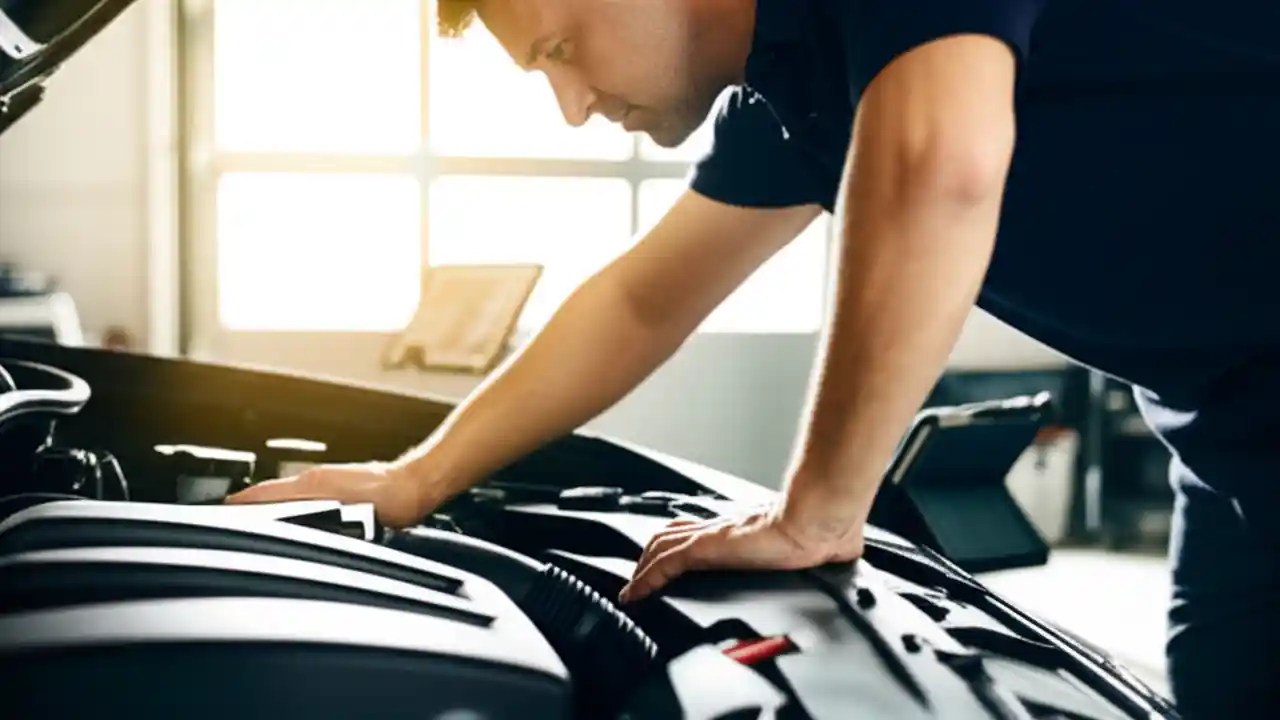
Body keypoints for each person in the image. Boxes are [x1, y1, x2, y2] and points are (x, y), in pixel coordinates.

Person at [227, 1, 1280, 714]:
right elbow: (642, 301)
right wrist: (414, 478)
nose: (572, 104)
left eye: (556, 48)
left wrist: (816, 510)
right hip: (1227, 429)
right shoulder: (797, 93)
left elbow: (934, 159)